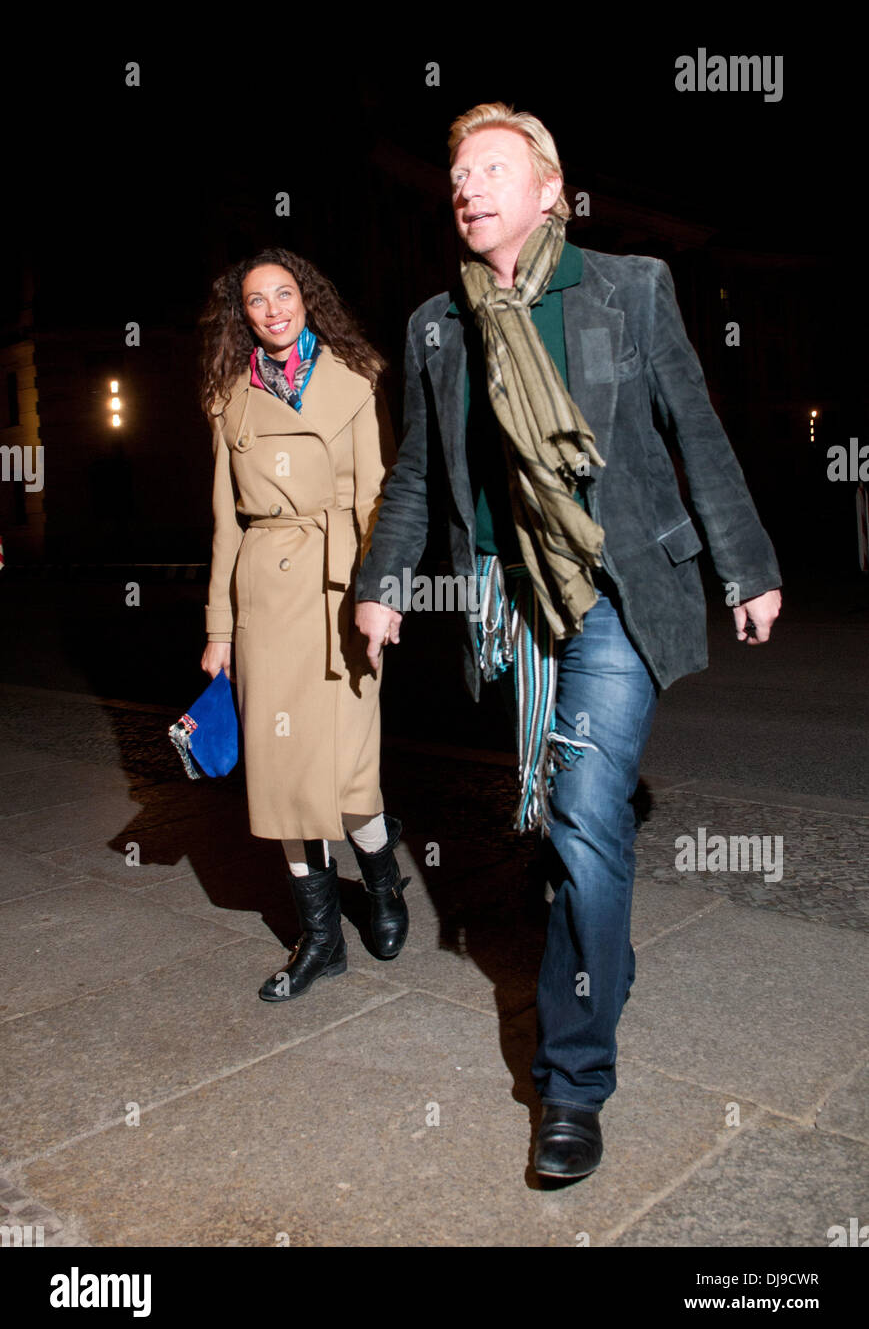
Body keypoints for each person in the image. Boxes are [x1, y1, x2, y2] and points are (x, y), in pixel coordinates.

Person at [354, 104, 781, 1181]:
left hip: (610, 595)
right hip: (509, 605)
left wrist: (749, 564)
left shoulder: (627, 288)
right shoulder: (434, 327)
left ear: (550, 191)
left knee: (586, 817)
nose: (467, 185)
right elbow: (415, 476)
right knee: (558, 822)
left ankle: (570, 1086)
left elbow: (694, 427)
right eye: (456, 173)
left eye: (492, 167)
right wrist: (380, 584)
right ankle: (602, 951)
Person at [199, 247, 409, 1003]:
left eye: (283, 294)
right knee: (285, 782)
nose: (272, 310)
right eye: (255, 301)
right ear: (243, 316)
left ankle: (382, 885)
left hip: (337, 594)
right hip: (266, 602)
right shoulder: (228, 397)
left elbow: (378, 499)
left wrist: (380, 592)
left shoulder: (355, 381)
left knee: (351, 780)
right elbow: (225, 522)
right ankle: (320, 939)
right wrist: (219, 628)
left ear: (307, 300)